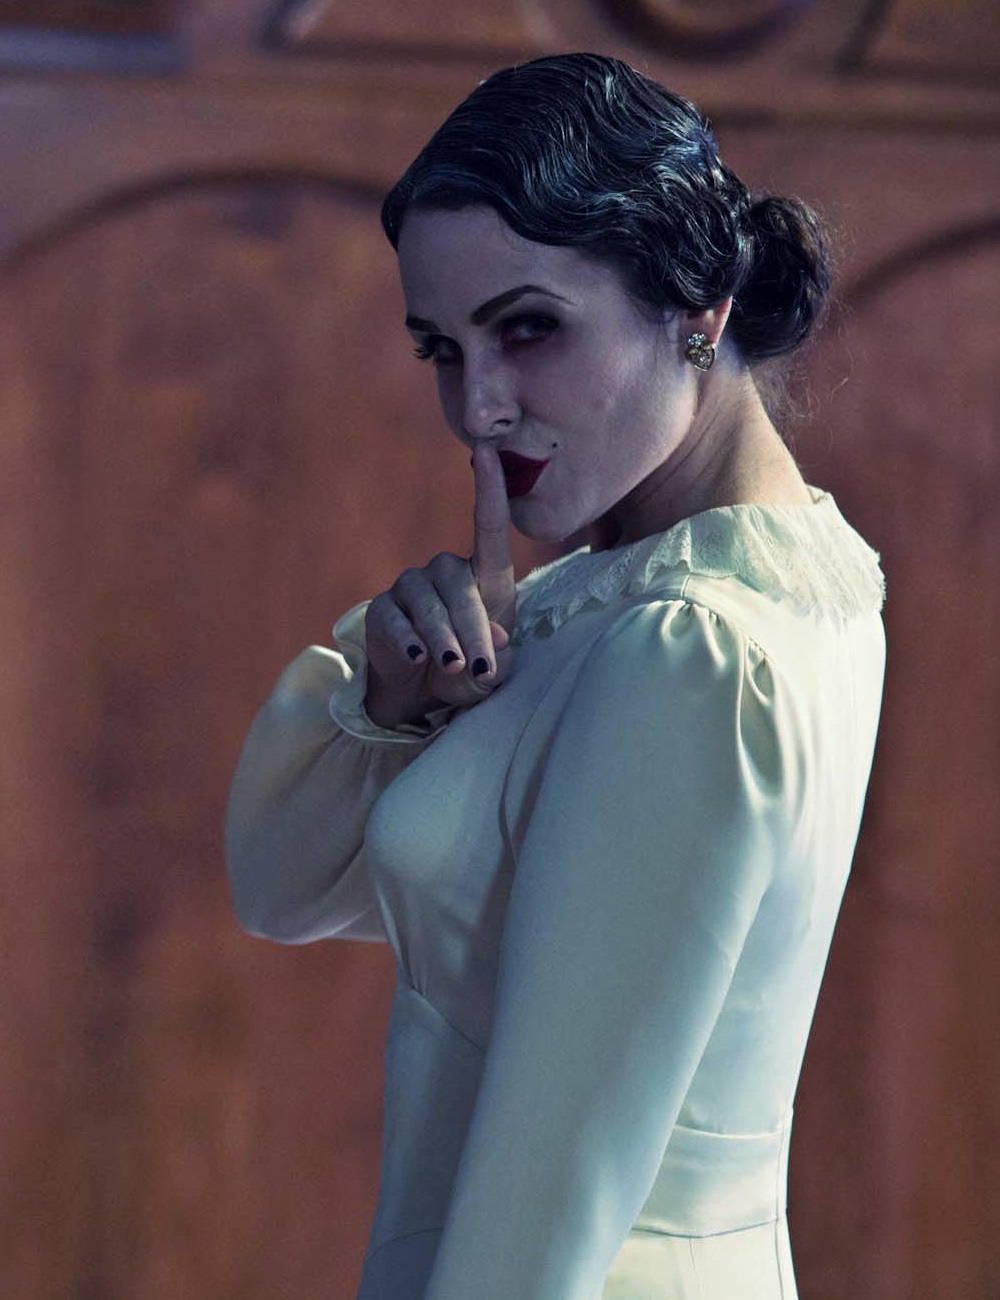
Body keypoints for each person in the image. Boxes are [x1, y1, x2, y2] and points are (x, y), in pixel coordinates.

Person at [225, 53, 885, 1300]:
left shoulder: (689, 649)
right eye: (441, 347)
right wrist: (392, 714)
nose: (478, 408)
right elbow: (282, 890)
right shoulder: (749, 580)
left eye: (527, 327)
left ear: (698, 312)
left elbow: (547, 1211)